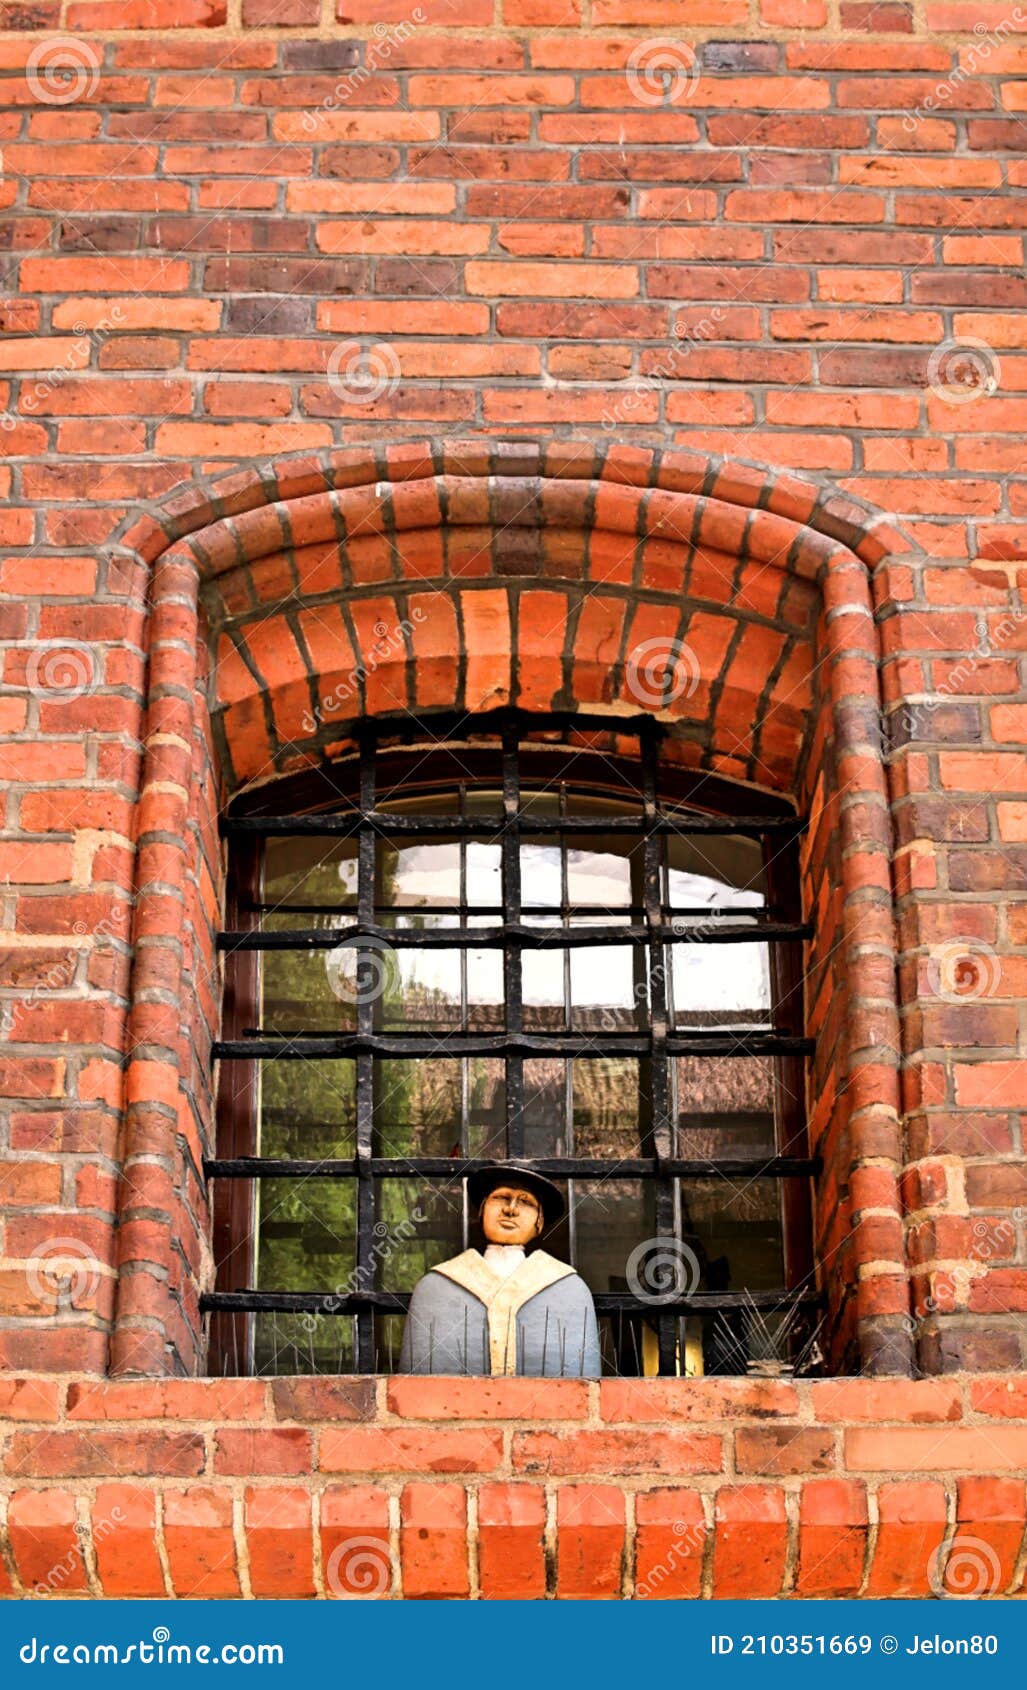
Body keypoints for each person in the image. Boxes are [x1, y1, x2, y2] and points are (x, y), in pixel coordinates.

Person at [398, 1164, 600, 1377]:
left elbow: (584, 1383)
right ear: (482, 1211)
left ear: (539, 1222)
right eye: (501, 1198)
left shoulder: (569, 1289)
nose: (511, 1209)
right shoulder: (436, 1287)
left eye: (526, 1202)